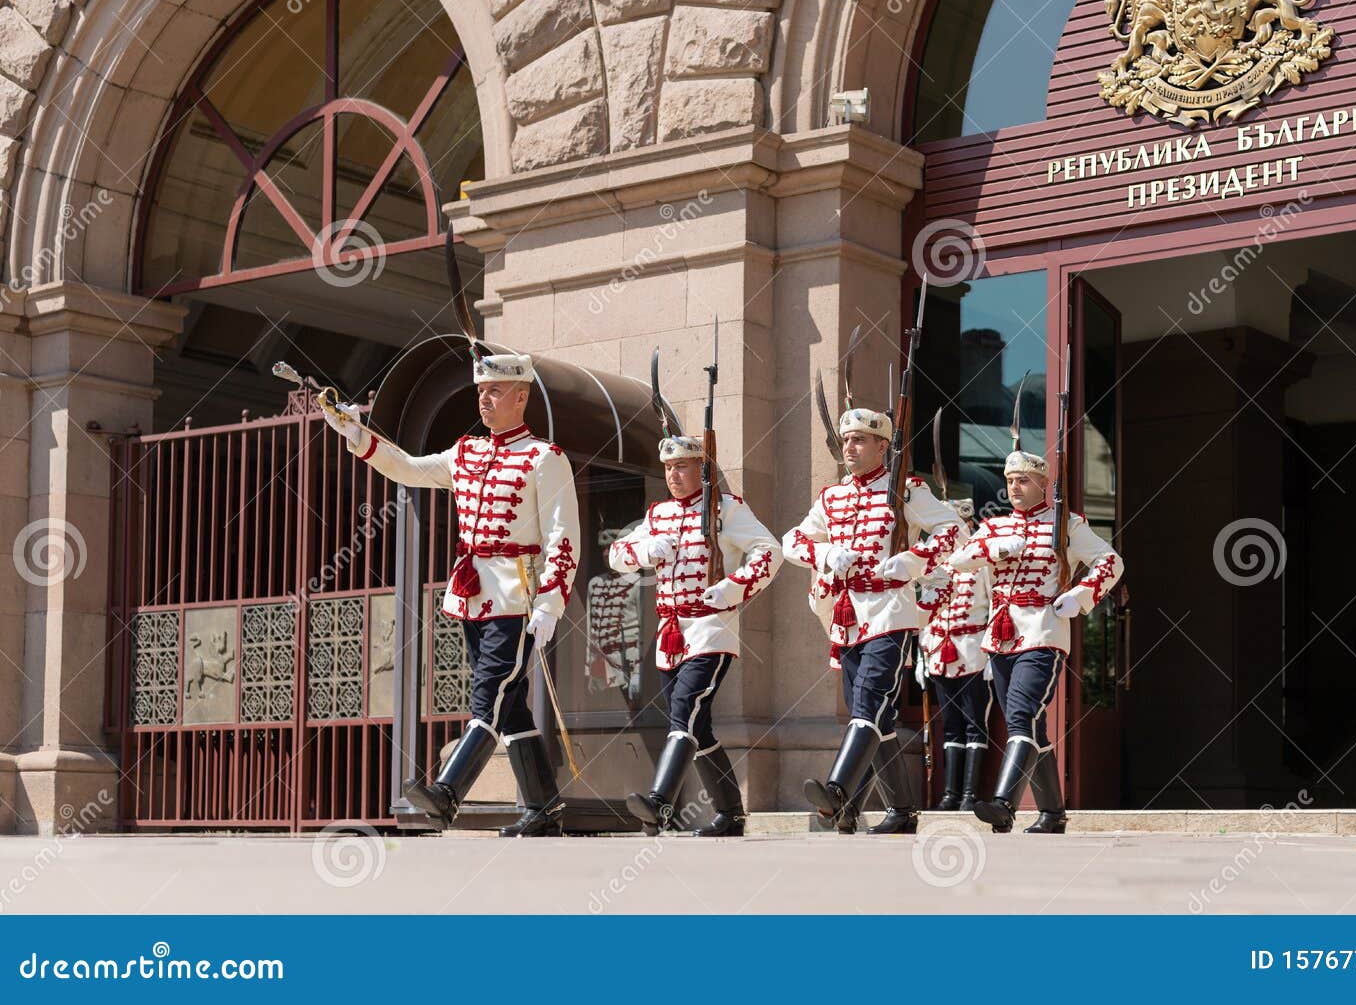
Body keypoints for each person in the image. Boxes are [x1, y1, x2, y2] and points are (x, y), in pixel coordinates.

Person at [322, 351, 578, 837]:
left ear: (521, 396)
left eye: (495, 390)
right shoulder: (466, 453)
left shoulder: (544, 458)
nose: (485, 399)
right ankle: (544, 810)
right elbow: (409, 468)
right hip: (472, 593)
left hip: (517, 596)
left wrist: (551, 602)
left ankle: (447, 793)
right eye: (481, 391)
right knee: (510, 704)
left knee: (489, 692)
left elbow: (564, 536)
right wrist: (357, 434)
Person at [784, 407, 965, 834]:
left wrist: (913, 560)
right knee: (875, 718)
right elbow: (792, 541)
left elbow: (954, 530)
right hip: (846, 617)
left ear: (883, 447)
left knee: (868, 702)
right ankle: (899, 811)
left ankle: (838, 792)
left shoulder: (907, 489)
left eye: (860, 440)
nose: (850, 447)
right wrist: (826, 552)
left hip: (890, 612)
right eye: (846, 440)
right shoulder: (831, 497)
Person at [610, 435, 780, 836]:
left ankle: (659, 802)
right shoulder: (658, 515)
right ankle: (731, 814)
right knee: (696, 726)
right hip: (670, 633)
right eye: (668, 467)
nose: (673, 474)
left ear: (702, 469)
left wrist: (733, 588)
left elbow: (769, 551)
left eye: (682, 466)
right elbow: (617, 554)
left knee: (685, 708)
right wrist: (645, 551)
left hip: (710, 628)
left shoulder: (727, 508)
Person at [949, 450, 1122, 833]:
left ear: (1044, 484)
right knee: (1033, 728)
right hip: (1002, 636)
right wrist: (995, 549)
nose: (1014, 487)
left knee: (1021, 715)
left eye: (1023, 480)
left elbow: (1110, 561)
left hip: (1043, 630)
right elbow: (957, 560)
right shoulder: (995, 526)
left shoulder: (1067, 524)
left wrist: (1081, 595)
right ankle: (1053, 814)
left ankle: (1004, 804)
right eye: (1010, 480)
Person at [917, 498, 993, 810]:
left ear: (968, 524)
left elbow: (993, 605)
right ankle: (950, 794)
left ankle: (970, 795)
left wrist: (991, 652)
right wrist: (922, 650)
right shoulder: (933, 565)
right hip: (938, 650)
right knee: (950, 724)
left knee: (975, 722)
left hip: (972, 649)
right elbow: (924, 610)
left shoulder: (982, 561)